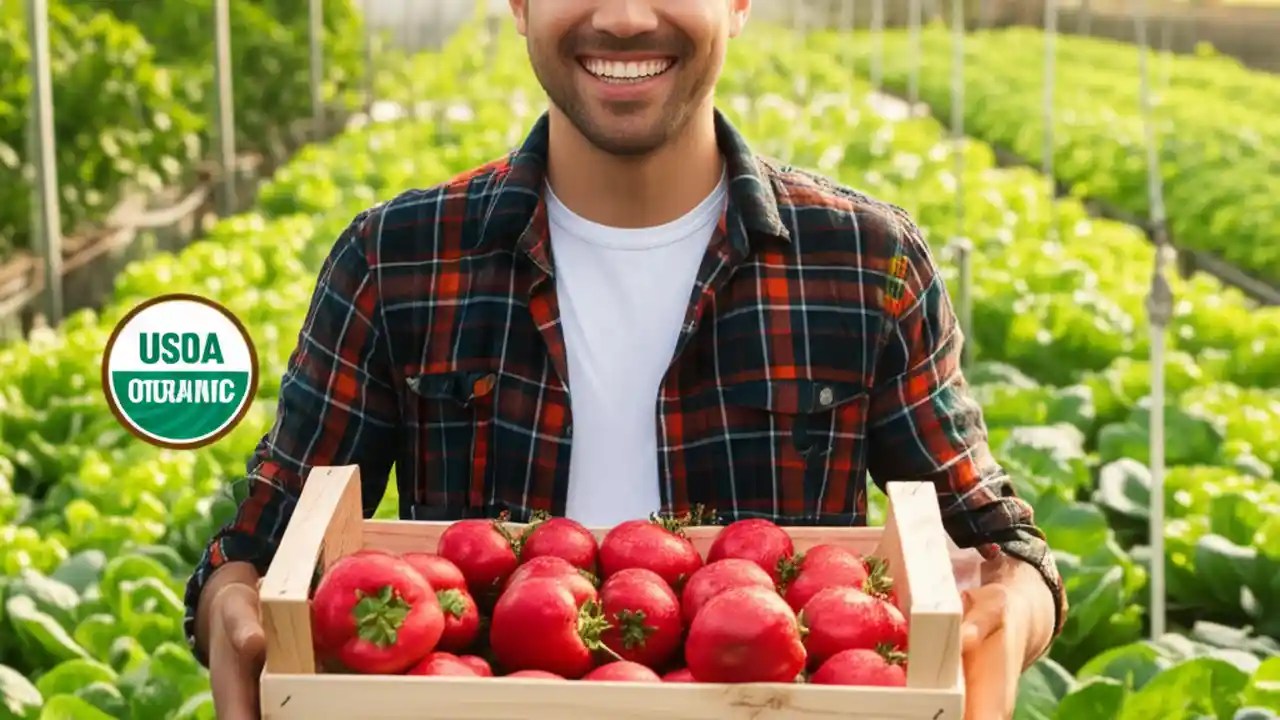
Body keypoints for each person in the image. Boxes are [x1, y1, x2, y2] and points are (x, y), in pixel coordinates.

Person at [184, 1, 1067, 718]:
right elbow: (261, 541)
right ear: (520, 7)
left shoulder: (862, 262)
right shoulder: (396, 260)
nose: (625, 18)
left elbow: (1000, 543)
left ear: (739, 3)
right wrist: (237, 609)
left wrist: (1006, 614)